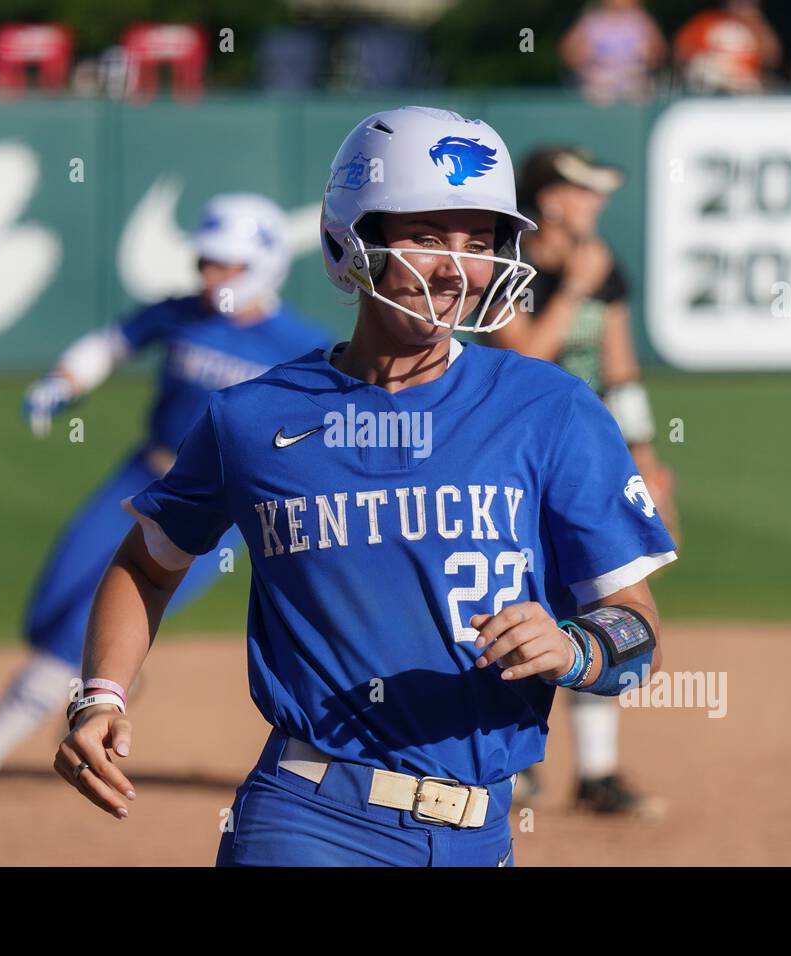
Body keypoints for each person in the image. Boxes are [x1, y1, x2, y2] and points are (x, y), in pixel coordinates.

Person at [53, 106, 678, 867]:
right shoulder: (253, 419)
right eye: (426, 236)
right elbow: (147, 563)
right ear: (350, 242)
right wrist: (101, 694)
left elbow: (635, 628)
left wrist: (576, 647)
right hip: (307, 821)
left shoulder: (550, 408)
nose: (455, 267)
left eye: (478, 243)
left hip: (481, 835)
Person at [0, 193, 328, 800]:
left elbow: (332, 423)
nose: (212, 274)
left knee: (71, 635)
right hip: (142, 476)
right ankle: (106, 674)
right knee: (50, 613)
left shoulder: (297, 344)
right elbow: (115, 341)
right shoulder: (184, 313)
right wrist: (64, 382)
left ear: (266, 266)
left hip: (215, 514)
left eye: (229, 264)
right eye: (206, 260)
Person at [489, 145, 679, 818]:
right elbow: (525, 361)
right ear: (547, 199)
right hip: (505, 458)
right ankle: (506, 767)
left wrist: (646, 459)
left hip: (585, 462)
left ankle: (596, 772)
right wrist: (572, 288)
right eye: (584, 191)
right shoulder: (503, 265)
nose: (597, 203)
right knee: (507, 599)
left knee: (601, 600)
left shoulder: (606, 270)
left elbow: (620, 372)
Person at [559, 0, 668, 104]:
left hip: (634, 81)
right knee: (598, 96)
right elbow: (569, 54)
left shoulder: (642, 21)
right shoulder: (592, 21)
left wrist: (650, 54)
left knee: (640, 96)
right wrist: (582, 55)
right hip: (599, 83)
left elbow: (658, 53)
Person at [673, 0, 782, 94]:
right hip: (710, 90)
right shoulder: (707, 21)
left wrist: (754, 20)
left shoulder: (756, 27)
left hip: (747, 89)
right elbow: (681, 55)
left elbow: (772, 59)